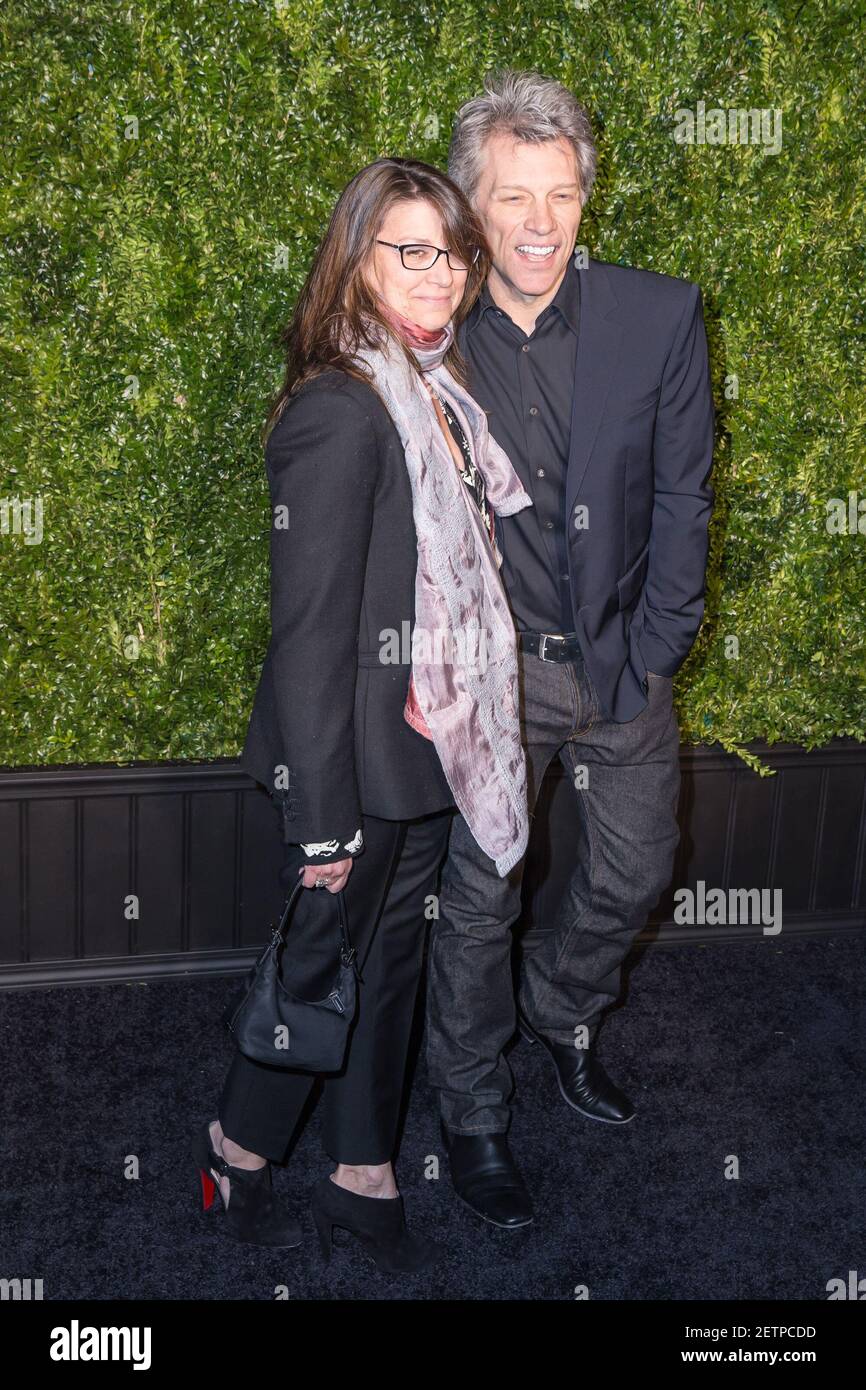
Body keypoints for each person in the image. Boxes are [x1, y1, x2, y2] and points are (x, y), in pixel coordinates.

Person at [192, 156, 533, 1273]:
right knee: (315, 969)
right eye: (411, 250)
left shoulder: (434, 389)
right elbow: (310, 638)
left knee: (389, 971)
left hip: (427, 746)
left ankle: (360, 1164)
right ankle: (235, 1151)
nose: (442, 275)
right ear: (355, 261)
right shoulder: (344, 409)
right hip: (348, 770)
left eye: (454, 252)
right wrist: (322, 823)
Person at [425, 69, 716, 1228]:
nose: (539, 222)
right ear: (470, 206)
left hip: (613, 664)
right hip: (488, 674)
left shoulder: (657, 315)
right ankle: (470, 1104)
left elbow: (685, 498)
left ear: (585, 199)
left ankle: (557, 1008)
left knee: (637, 866)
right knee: (478, 897)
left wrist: (651, 651)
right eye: (511, 197)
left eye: (559, 194)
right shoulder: (421, 337)